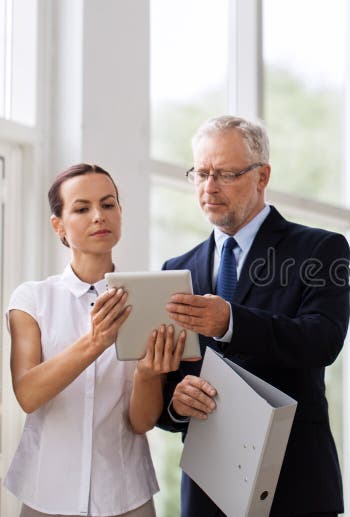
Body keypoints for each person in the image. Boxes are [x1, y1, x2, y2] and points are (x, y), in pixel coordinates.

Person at [156, 115, 350, 517]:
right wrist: (175, 404)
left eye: (225, 174)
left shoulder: (319, 249)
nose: (209, 188)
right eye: (201, 173)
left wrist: (231, 323)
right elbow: (166, 382)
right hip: (206, 483)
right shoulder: (176, 269)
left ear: (262, 176)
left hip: (294, 480)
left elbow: (323, 340)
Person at [5, 164, 185, 517]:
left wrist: (149, 374)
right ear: (59, 226)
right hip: (46, 495)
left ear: (120, 212)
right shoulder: (31, 300)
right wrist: (96, 341)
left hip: (126, 496)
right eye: (82, 208)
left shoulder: (150, 299)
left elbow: (141, 423)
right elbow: (27, 394)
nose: (98, 216)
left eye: (108, 204)